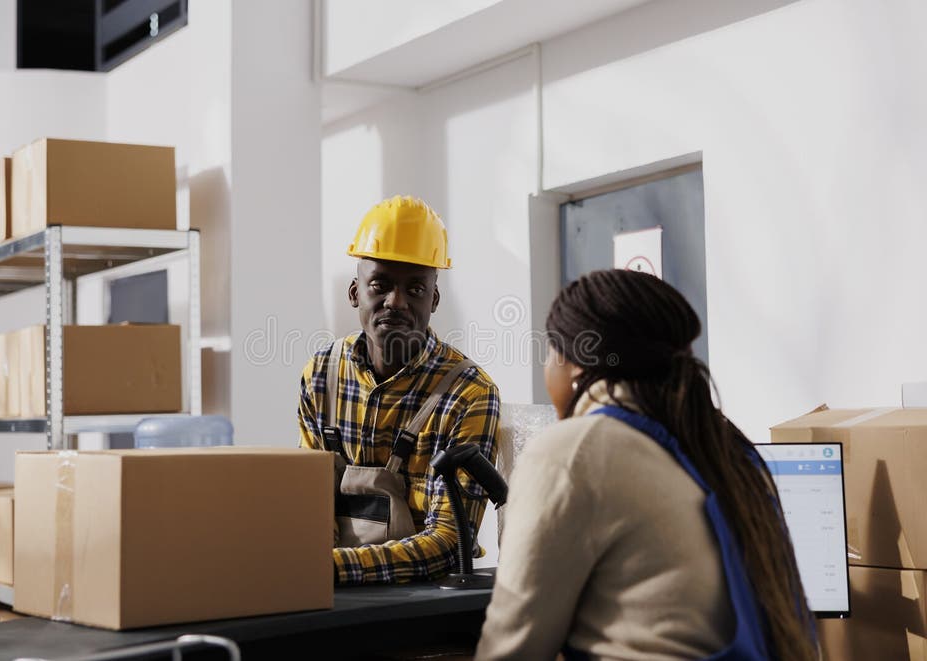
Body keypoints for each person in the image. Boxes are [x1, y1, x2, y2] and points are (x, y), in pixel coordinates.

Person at [476, 269, 817, 660]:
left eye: (550, 352)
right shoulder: (731, 451)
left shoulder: (574, 449)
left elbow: (512, 648)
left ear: (572, 364)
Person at [298, 195, 501, 586]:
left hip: (424, 603)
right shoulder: (320, 376)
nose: (396, 302)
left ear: (434, 299)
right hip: (329, 589)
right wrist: (315, 569)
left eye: (415, 289)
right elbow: (311, 504)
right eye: (381, 285)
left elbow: (449, 539)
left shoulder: (468, 394)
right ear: (356, 293)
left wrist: (331, 568)